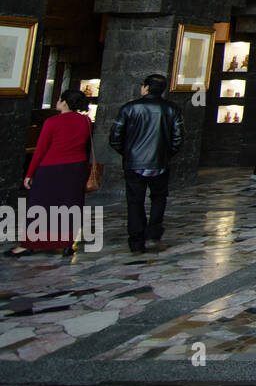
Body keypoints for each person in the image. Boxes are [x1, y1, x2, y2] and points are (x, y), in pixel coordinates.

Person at [10, 89, 93, 256]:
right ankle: (67, 243)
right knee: (70, 205)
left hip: (52, 168)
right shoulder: (85, 121)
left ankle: (29, 243)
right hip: (76, 168)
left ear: (64, 102)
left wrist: (29, 174)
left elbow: (41, 150)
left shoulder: (52, 122)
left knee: (41, 206)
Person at [108, 73, 184, 253]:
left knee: (135, 202)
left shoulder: (129, 108)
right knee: (159, 197)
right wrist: (165, 154)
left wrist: (128, 153)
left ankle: (136, 240)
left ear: (146, 87)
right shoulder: (171, 109)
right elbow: (178, 138)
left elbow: (115, 136)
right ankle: (154, 230)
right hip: (160, 162)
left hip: (134, 163)